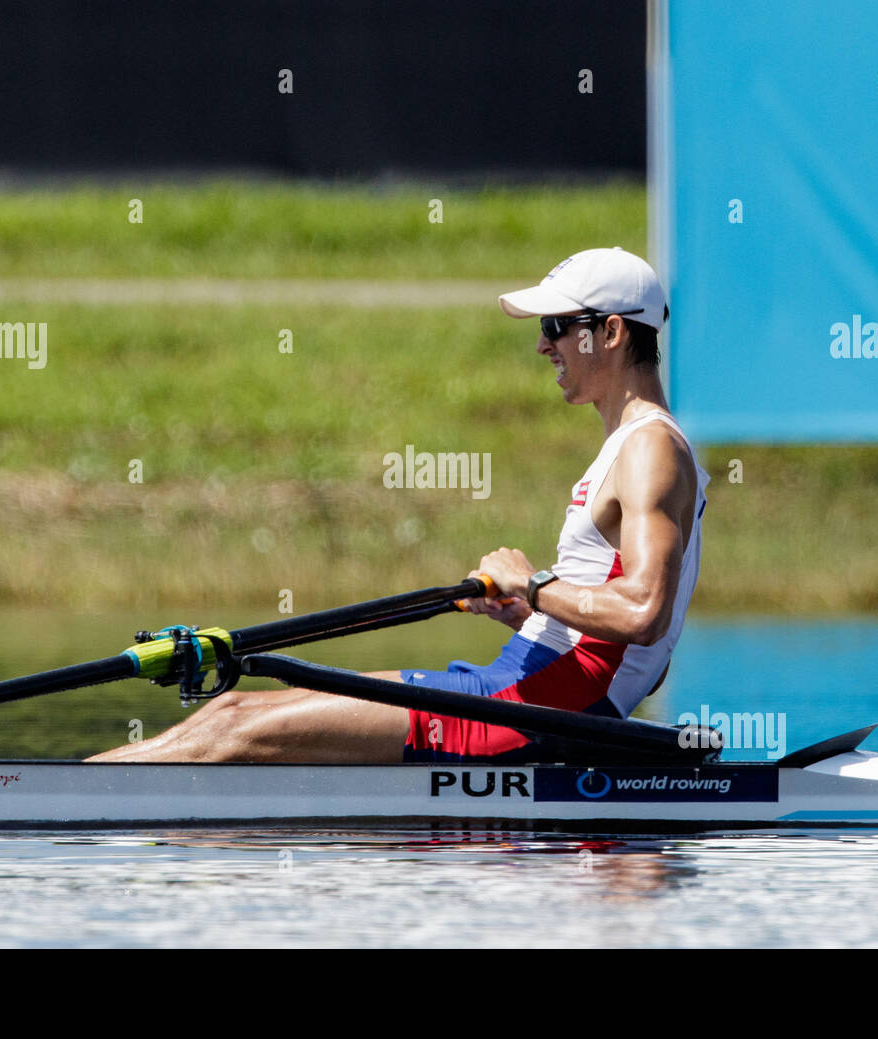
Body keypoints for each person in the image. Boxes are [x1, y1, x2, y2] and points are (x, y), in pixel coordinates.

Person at [88, 247, 708, 764]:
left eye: (555, 328)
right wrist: (522, 611)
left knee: (234, 728)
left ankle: (34, 803)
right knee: (230, 709)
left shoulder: (650, 448)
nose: (543, 347)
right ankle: (54, 792)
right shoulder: (633, 447)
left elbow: (645, 616)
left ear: (612, 330)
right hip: (517, 691)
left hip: (528, 714)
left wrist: (536, 585)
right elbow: (631, 658)